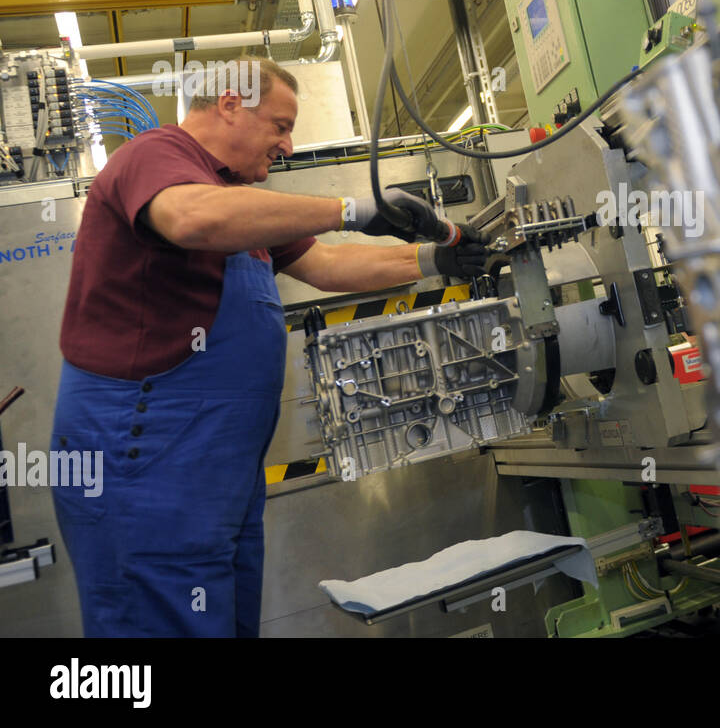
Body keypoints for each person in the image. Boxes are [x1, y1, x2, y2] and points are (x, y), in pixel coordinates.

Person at [51, 54, 486, 637]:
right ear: (229, 104)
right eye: (280, 126)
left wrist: (435, 258)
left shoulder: (232, 198)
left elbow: (327, 266)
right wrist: (350, 208)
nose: (286, 145)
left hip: (218, 477)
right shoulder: (159, 156)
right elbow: (191, 220)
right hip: (146, 468)